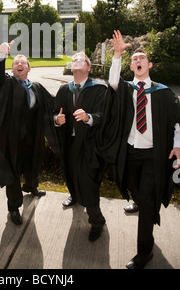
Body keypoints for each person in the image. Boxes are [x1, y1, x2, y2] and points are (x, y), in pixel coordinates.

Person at [105, 30, 180, 269]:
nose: (138, 61)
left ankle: (144, 252)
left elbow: (177, 121)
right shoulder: (126, 89)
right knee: (134, 189)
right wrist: (117, 55)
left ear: (149, 64)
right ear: (131, 67)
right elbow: (113, 82)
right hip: (129, 153)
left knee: (147, 201)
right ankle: (142, 204)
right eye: (134, 59)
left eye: (142, 58)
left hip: (152, 155)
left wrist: (178, 145)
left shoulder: (164, 93)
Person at [0, 45, 59, 226]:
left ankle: (32, 187)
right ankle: (13, 207)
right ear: (12, 68)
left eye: (23, 62)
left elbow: (51, 107)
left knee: (32, 166)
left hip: (33, 139)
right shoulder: (7, 84)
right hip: (10, 140)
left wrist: (57, 118)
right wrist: (1, 54)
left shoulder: (37, 88)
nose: (19, 64)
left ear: (29, 67)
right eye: (16, 62)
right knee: (11, 174)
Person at [54, 52, 107, 241]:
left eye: (80, 60)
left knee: (88, 182)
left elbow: (104, 115)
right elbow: (55, 113)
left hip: (89, 144)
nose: (76, 62)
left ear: (88, 68)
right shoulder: (64, 89)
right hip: (70, 142)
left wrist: (89, 117)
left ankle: (97, 220)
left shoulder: (100, 89)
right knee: (69, 172)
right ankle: (74, 196)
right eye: (74, 60)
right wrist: (57, 120)